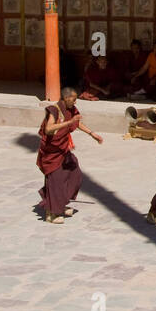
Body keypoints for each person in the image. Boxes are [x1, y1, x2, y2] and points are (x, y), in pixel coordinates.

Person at [36, 86, 103, 224]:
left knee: (74, 173)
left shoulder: (70, 109)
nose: (75, 102)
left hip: (63, 149)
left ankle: (60, 204)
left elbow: (77, 122)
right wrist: (69, 122)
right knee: (56, 181)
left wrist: (92, 134)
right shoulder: (54, 110)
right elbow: (49, 129)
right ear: (66, 99)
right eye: (73, 99)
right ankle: (51, 214)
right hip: (52, 152)